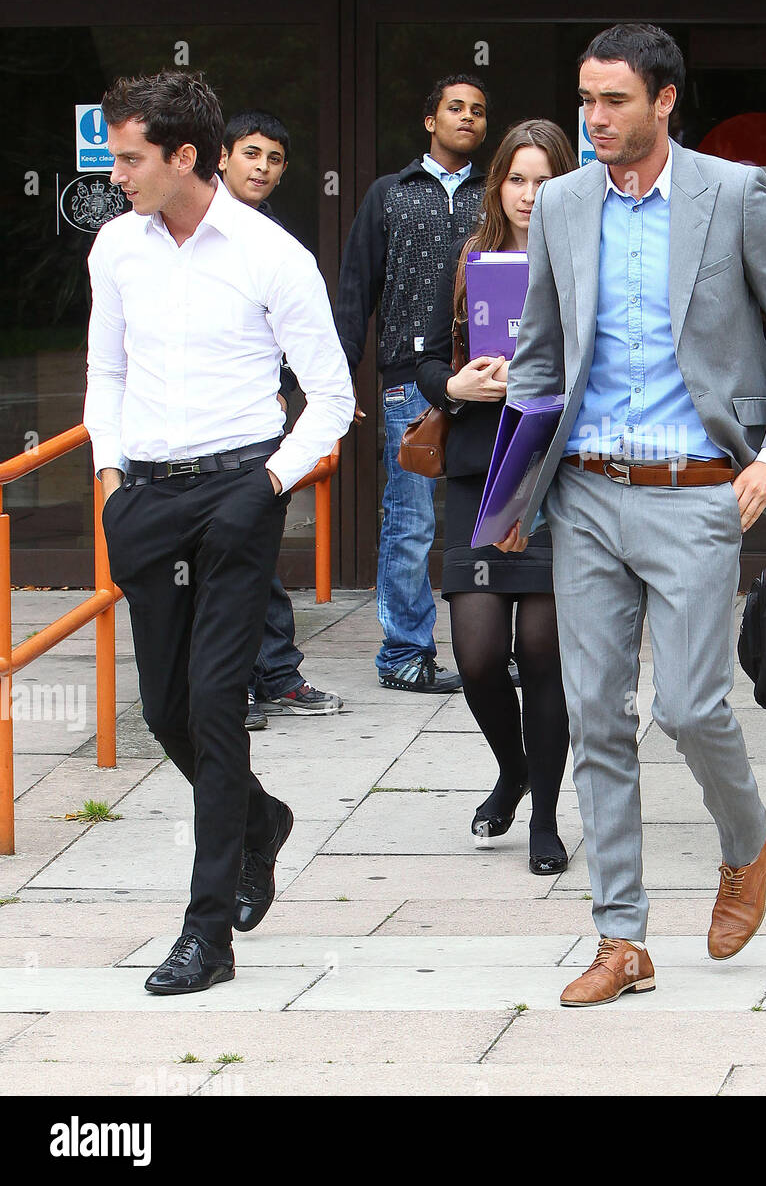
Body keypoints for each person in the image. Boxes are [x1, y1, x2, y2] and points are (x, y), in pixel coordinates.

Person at [499, 24, 766, 1005]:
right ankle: (618, 936)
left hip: (696, 493)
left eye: (612, 101)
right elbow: (537, 355)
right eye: (584, 100)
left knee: (688, 706)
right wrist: (516, 488)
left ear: (663, 101)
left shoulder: (730, 196)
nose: (593, 119)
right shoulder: (559, 204)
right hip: (586, 494)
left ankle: (746, 841)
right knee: (594, 714)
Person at [85, 70, 355, 993]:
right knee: (164, 711)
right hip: (147, 499)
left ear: (183, 157)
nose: (115, 174)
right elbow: (104, 374)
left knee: (212, 705)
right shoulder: (116, 249)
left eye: (128, 158)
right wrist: (113, 480)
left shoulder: (269, 253)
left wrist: (270, 482)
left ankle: (207, 937)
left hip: (242, 489)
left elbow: (333, 398)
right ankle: (260, 820)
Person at [417, 120, 578, 875]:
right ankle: (511, 769)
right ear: (498, 185)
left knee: (542, 655)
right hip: (479, 471)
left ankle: (545, 815)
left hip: (559, 476)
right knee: (480, 657)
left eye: (544, 180)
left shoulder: (589, 261)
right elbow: (413, 356)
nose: (527, 194)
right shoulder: (467, 260)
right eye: (517, 178)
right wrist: (453, 386)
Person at [336, 76, 488, 695]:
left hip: (490, 384)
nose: (468, 119)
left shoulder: (498, 193)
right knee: (409, 523)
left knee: (491, 516)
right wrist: (337, 383)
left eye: (479, 111)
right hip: (408, 383)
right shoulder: (388, 195)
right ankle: (405, 653)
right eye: (455, 108)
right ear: (430, 119)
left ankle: (492, 646)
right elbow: (354, 293)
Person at [218, 109, 342, 727]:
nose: (261, 167)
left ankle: (275, 676)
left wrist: (310, 395)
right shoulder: (190, 232)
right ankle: (229, 686)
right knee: (222, 569)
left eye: (272, 158)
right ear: (221, 156)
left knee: (258, 558)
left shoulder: (275, 239)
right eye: (250, 153)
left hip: (261, 425)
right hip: (204, 434)